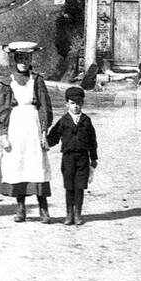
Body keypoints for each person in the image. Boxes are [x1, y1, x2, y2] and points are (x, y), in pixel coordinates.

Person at [0, 42, 54, 223]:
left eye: (27, 58)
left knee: (37, 164)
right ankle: (21, 209)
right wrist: (3, 135)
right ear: (14, 59)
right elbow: (1, 109)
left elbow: (44, 108)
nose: (24, 62)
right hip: (16, 127)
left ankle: (44, 210)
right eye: (20, 58)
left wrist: (44, 132)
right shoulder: (8, 82)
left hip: (33, 126)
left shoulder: (37, 80)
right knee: (18, 164)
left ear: (31, 59)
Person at [46, 85, 98, 225]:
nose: (76, 107)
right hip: (68, 158)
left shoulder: (86, 120)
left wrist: (93, 158)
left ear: (83, 104)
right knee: (69, 186)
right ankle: (69, 214)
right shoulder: (64, 120)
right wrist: (45, 143)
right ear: (67, 104)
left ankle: (78, 214)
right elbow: (54, 137)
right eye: (72, 103)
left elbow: (93, 140)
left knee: (80, 186)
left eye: (79, 103)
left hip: (83, 158)